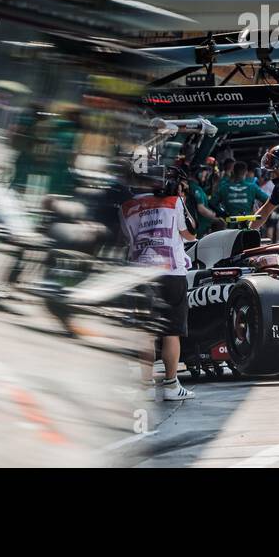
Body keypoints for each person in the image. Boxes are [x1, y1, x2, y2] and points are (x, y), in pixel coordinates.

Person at [119, 166, 194, 402]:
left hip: (141, 274)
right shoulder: (174, 201)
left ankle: (146, 386)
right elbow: (190, 233)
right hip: (172, 272)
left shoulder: (126, 206)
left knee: (146, 332)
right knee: (171, 332)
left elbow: (125, 239)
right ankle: (171, 385)